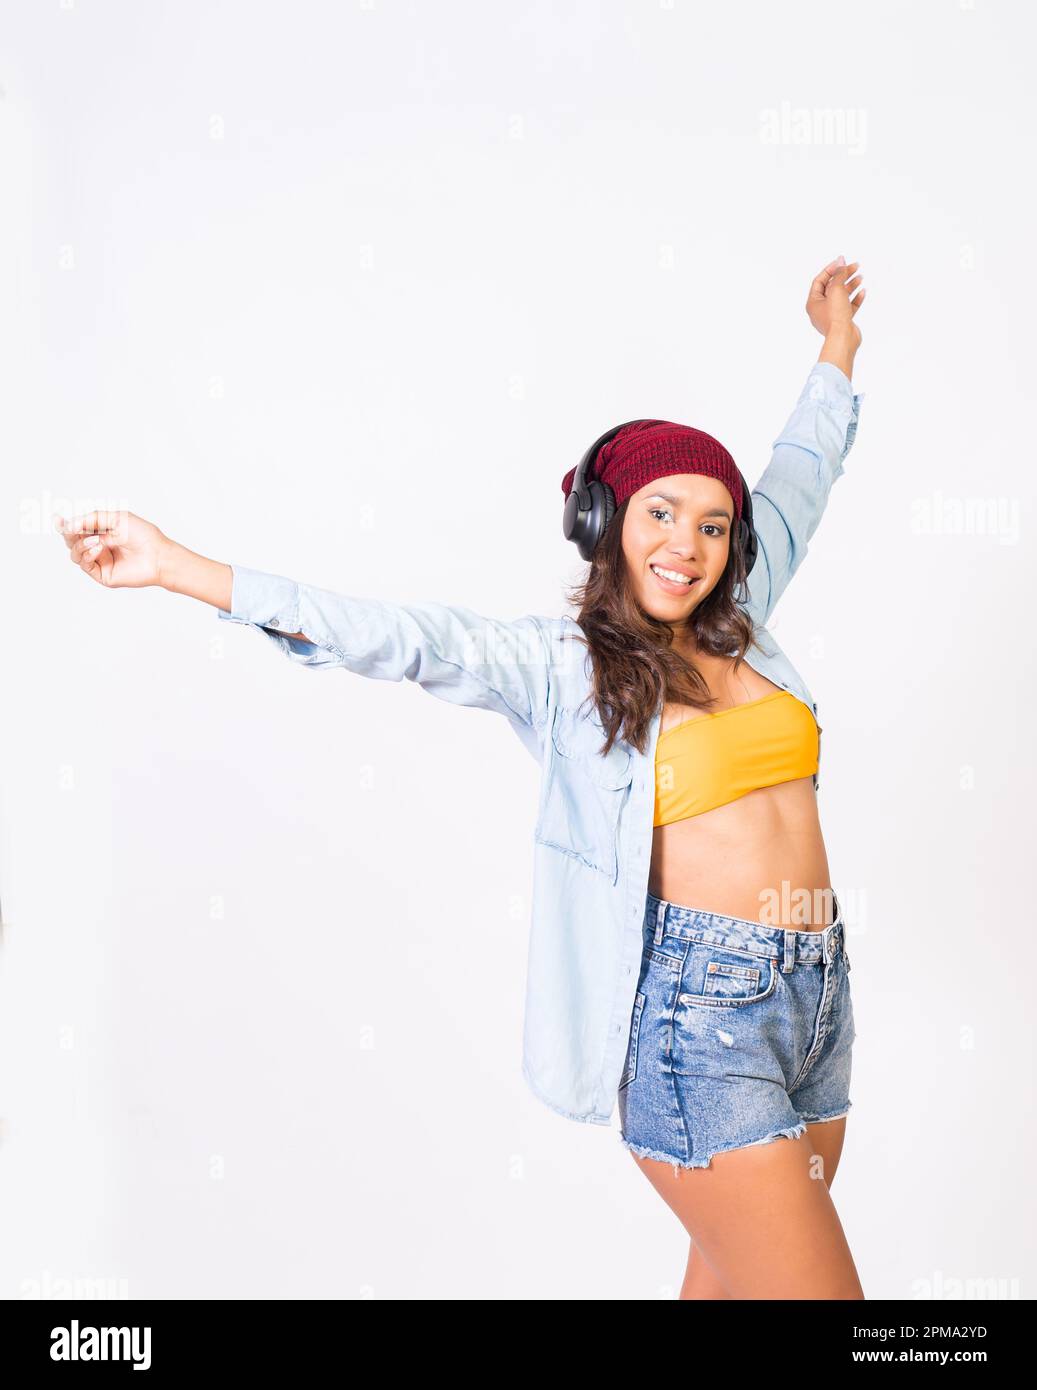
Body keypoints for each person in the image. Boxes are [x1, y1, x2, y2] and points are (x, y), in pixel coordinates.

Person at [56, 256, 866, 1299]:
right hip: (695, 1025)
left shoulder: (745, 613)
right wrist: (180, 566)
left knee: (727, 1286)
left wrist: (835, 344)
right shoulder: (556, 667)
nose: (688, 544)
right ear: (602, 522)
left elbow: (802, 467)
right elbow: (391, 636)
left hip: (813, 1003)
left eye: (712, 524)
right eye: (660, 513)